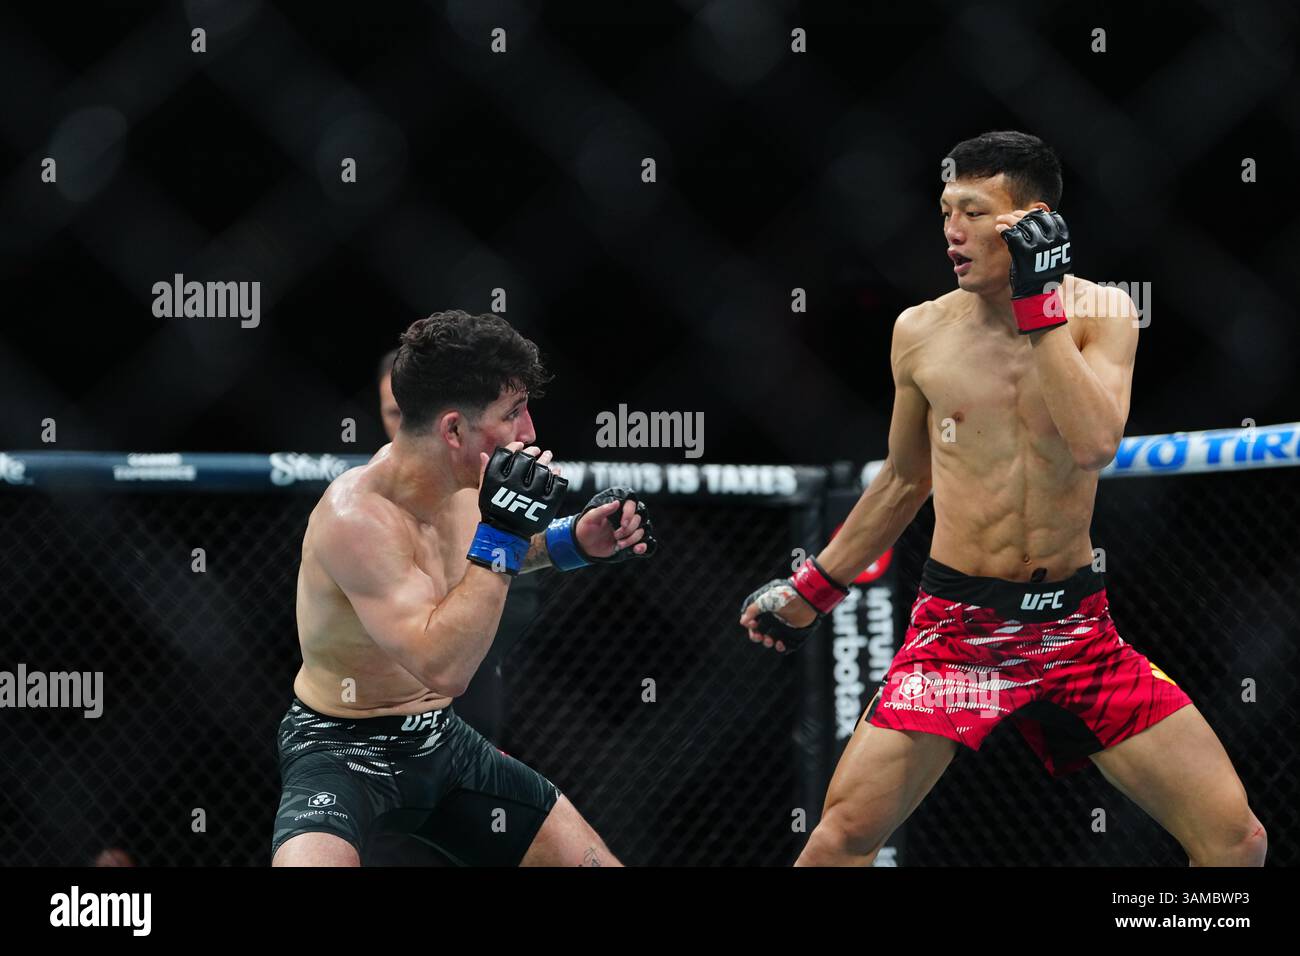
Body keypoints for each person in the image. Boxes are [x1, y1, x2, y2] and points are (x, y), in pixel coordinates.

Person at [739, 131, 1266, 867]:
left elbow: (1093, 444)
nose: (951, 231)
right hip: (960, 632)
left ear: (1030, 220)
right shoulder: (920, 332)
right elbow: (902, 479)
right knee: (842, 839)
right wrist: (814, 589)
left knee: (1236, 840)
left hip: (1076, 631)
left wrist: (1039, 304)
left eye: (973, 212)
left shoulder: (1104, 313)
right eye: (945, 211)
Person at [272, 310, 657, 866]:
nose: (529, 434)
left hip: (443, 744)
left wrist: (572, 541)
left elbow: (472, 564)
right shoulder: (356, 519)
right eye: (514, 414)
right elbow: (444, 665)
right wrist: (502, 531)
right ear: (454, 430)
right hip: (341, 751)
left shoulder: (462, 481)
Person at [375, 348, 535, 746]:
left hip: (473, 668)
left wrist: (576, 539)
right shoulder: (366, 508)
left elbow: (497, 558)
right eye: (393, 413)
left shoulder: (473, 484)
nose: (402, 426)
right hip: (392, 699)